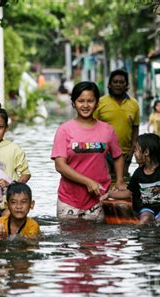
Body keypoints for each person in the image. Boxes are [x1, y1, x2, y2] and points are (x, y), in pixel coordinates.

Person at [51, 81, 126, 222]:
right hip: (69, 199)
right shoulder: (64, 130)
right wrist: (88, 182)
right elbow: (60, 165)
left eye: (90, 101)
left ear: (97, 103)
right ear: (73, 103)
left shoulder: (107, 130)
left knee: (96, 241)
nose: (85, 105)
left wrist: (120, 181)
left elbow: (118, 156)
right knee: (69, 238)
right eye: (81, 101)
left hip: (99, 199)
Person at [94, 69, 140, 175]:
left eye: (121, 82)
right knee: (106, 180)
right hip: (104, 151)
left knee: (123, 181)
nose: (118, 85)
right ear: (109, 85)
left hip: (125, 153)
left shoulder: (134, 104)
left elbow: (135, 129)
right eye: (115, 82)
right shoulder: (100, 103)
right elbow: (92, 126)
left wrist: (132, 150)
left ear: (126, 85)